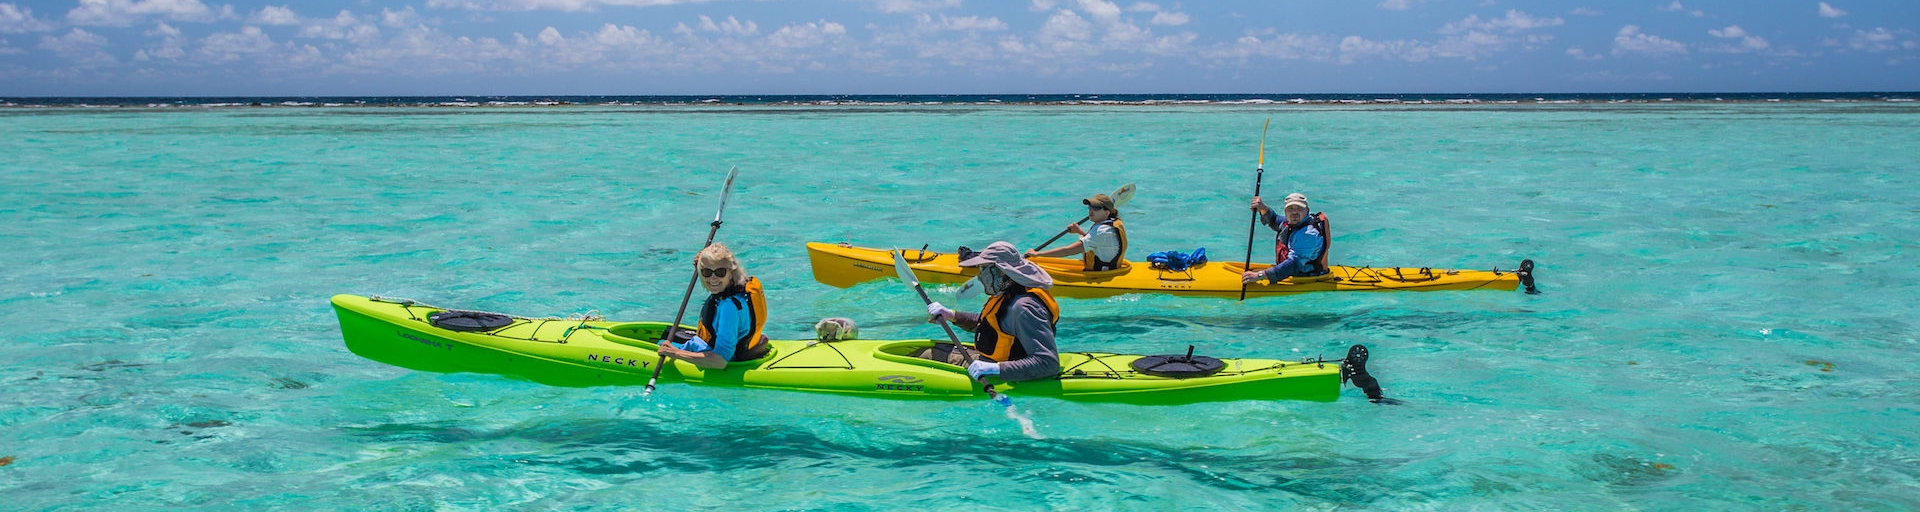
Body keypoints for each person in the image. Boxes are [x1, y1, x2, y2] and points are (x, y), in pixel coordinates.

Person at [921, 241, 1062, 382]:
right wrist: (952, 315)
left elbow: (1048, 363)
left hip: (1004, 371)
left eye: (983, 270)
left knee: (925, 356)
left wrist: (996, 369)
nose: (980, 277)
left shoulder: (1024, 308)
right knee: (926, 350)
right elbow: (990, 324)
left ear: (1001, 272)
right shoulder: (1007, 292)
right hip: (990, 360)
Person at [655, 243, 771, 369]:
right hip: (739, 346)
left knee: (660, 343)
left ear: (730, 272)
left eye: (720, 272)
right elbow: (716, 271)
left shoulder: (729, 308)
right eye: (707, 272)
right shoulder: (741, 285)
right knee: (667, 335)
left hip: (722, 358)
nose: (713, 278)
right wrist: (704, 264)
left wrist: (676, 353)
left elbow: (720, 361)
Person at [1024, 193, 1129, 271]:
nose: (1091, 210)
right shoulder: (1113, 222)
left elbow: (1068, 251)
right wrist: (1080, 232)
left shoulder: (1101, 230)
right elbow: (1099, 244)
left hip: (1100, 275)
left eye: (1096, 208)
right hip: (1111, 268)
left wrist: (1037, 254)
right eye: (1090, 207)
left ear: (1106, 213)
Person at [1241, 192, 1330, 284]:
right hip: (1294, 271)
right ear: (1285, 211)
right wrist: (1263, 208)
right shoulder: (1294, 222)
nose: (1294, 212)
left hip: (1307, 278)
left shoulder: (1308, 235)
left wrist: (1259, 275)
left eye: (1299, 208)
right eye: (1290, 209)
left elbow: (1293, 265)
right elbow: (1274, 220)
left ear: (1307, 210)